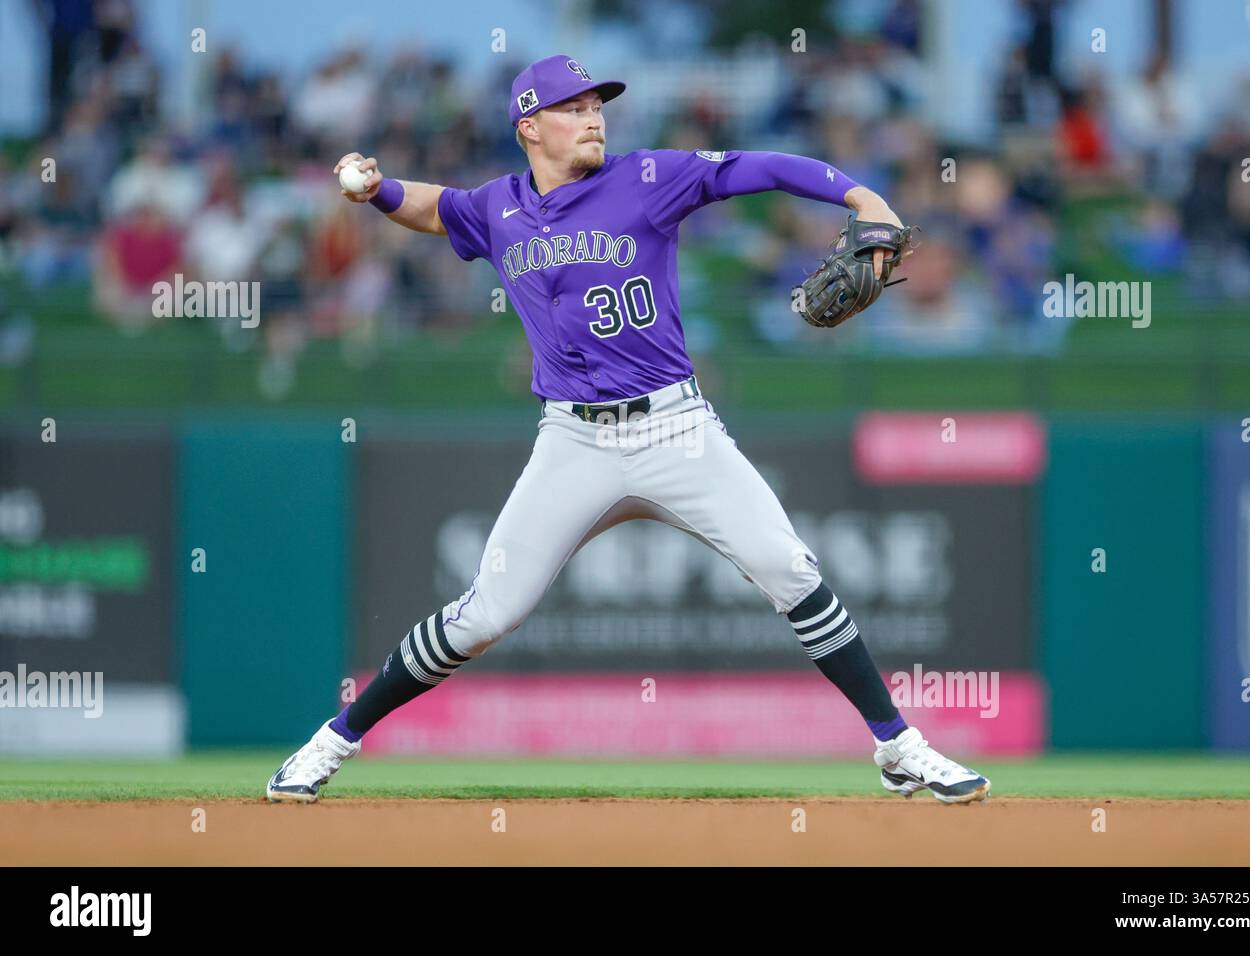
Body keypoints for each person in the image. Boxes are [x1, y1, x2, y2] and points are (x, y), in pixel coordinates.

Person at [267, 54, 990, 805]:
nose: (594, 119)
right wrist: (377, 189)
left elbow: (762, 167)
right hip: (573, 440)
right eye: (574, 108)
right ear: (530, 127)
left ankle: (898, 747)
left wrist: (861, 194)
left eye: (597, 106)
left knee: (790, 571)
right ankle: (332, 742)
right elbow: (436, 208)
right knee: (484, 617)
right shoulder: (498, 207)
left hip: (675, 427)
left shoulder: (647, 177)